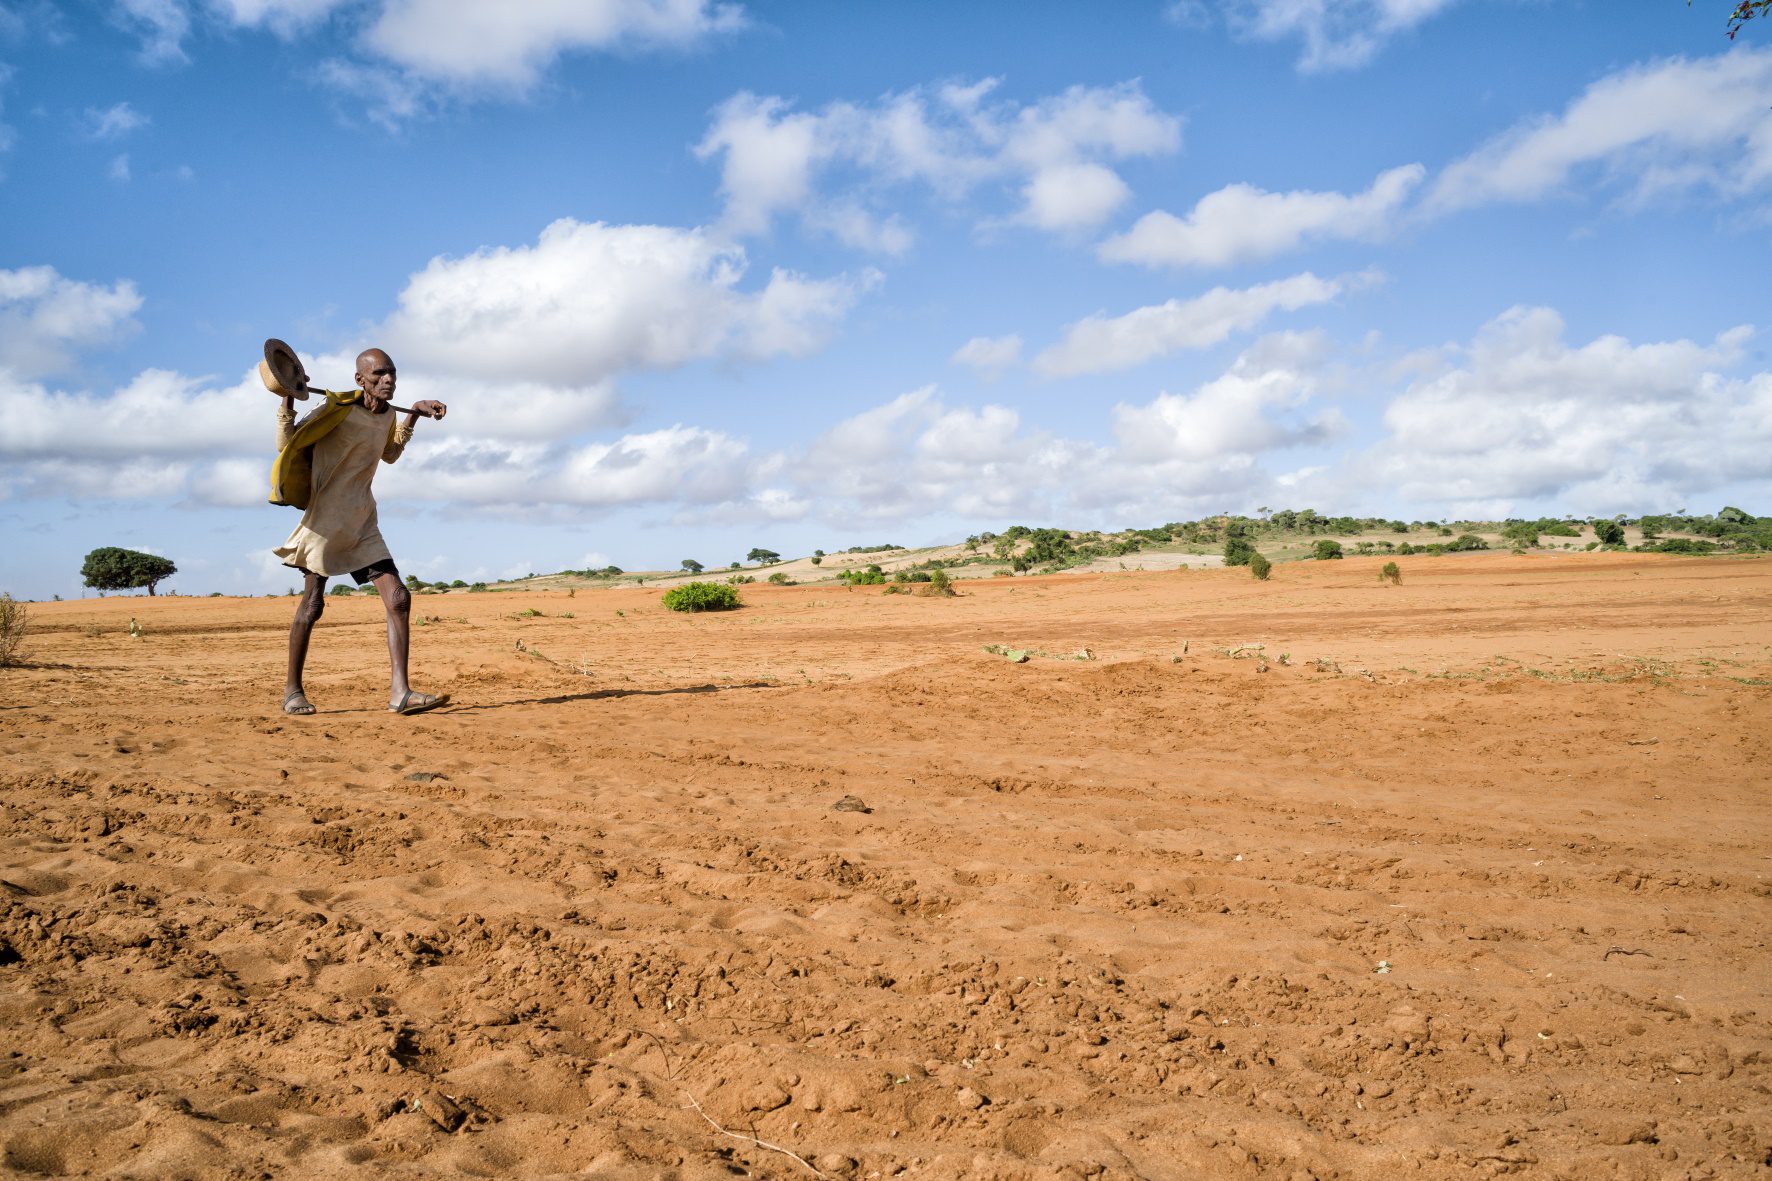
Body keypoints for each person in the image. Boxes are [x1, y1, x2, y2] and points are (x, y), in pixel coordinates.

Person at [270, 347, 448, 716]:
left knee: (398, 598)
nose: (388, 380)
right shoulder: (337, 411)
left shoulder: (386, 417)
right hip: (325, 524)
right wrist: (288, 397)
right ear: (360, 379)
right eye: (380, 374)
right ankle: (292, 690)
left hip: (363, 521)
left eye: (393, 374)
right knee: (312, 606)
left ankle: (400, 692)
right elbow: (288, 445)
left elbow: (390, 454)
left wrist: (412, 415)